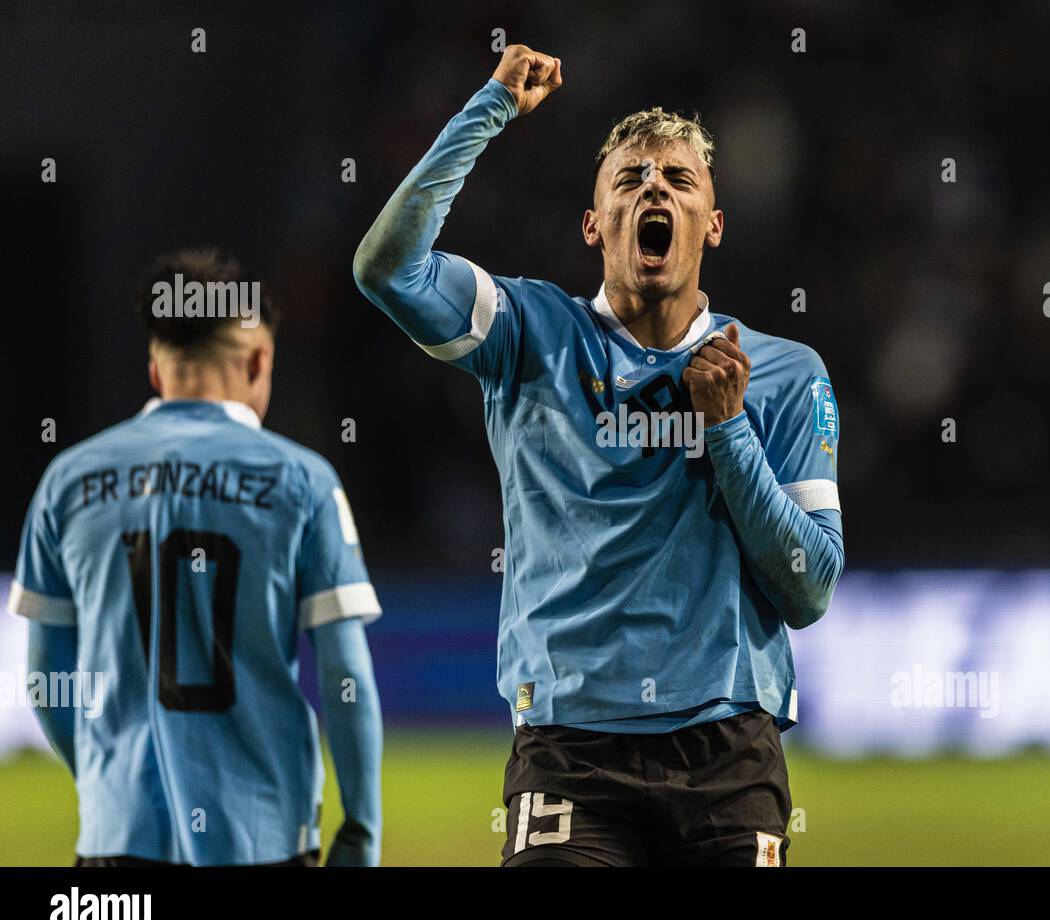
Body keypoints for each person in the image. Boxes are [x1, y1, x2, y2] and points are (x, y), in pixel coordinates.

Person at [354, 45, 843, 866]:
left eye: (680, 181)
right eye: (631, 178)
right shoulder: (527, 332)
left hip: (728, 749)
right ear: (595, 226)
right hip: (568, 750)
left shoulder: (784, 371)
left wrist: (727, 429)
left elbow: (810, 587)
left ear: (712, 225)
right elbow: (387, 269)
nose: (655, 186)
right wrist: (490, 106)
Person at [7, 248, 383, 866]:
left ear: (156, 370)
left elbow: (47, 679)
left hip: (117, 846)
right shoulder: (302, 481)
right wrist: (361, 833)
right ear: (259, 358)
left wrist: (107, 793)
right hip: (262, 841)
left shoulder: (68, 481)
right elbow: (346, 675)